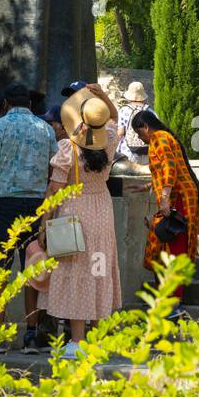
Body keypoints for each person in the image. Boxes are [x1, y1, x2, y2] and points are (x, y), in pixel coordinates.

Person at [39, 83, 122, 359]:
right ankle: (97, 338)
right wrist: (104, 97)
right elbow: (115, 118)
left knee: (76, 272)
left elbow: (55, 189)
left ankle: (76, 341)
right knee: (99, 269)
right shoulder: (109, 140)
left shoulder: (68, 147)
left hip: (75, 211)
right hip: (103, 209)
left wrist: (43, 223)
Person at [0, 82, 58, 352]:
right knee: (33, 271)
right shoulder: (45, 129)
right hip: (36, 206)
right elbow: (52, 172)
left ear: (5, 104)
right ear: (31, 105)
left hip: (5, 205)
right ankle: (31, 335)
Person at [130, 109, 199, 302]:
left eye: (139, 134)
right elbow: (165, 171)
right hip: (177, 196)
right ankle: (168, 298)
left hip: (179, 199)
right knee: (161, 249)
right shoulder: (162, 137)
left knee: (174, 250)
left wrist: (164, 198)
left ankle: (173, 302)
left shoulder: (159, 138)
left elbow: (169, 168)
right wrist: (147, 185)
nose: (140, 139)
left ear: (145, 127)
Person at [116, 80, 151, 163]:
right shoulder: (150, 111)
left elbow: (120, 132)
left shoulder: (124, 110)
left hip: (128, 152)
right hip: (147, 151)